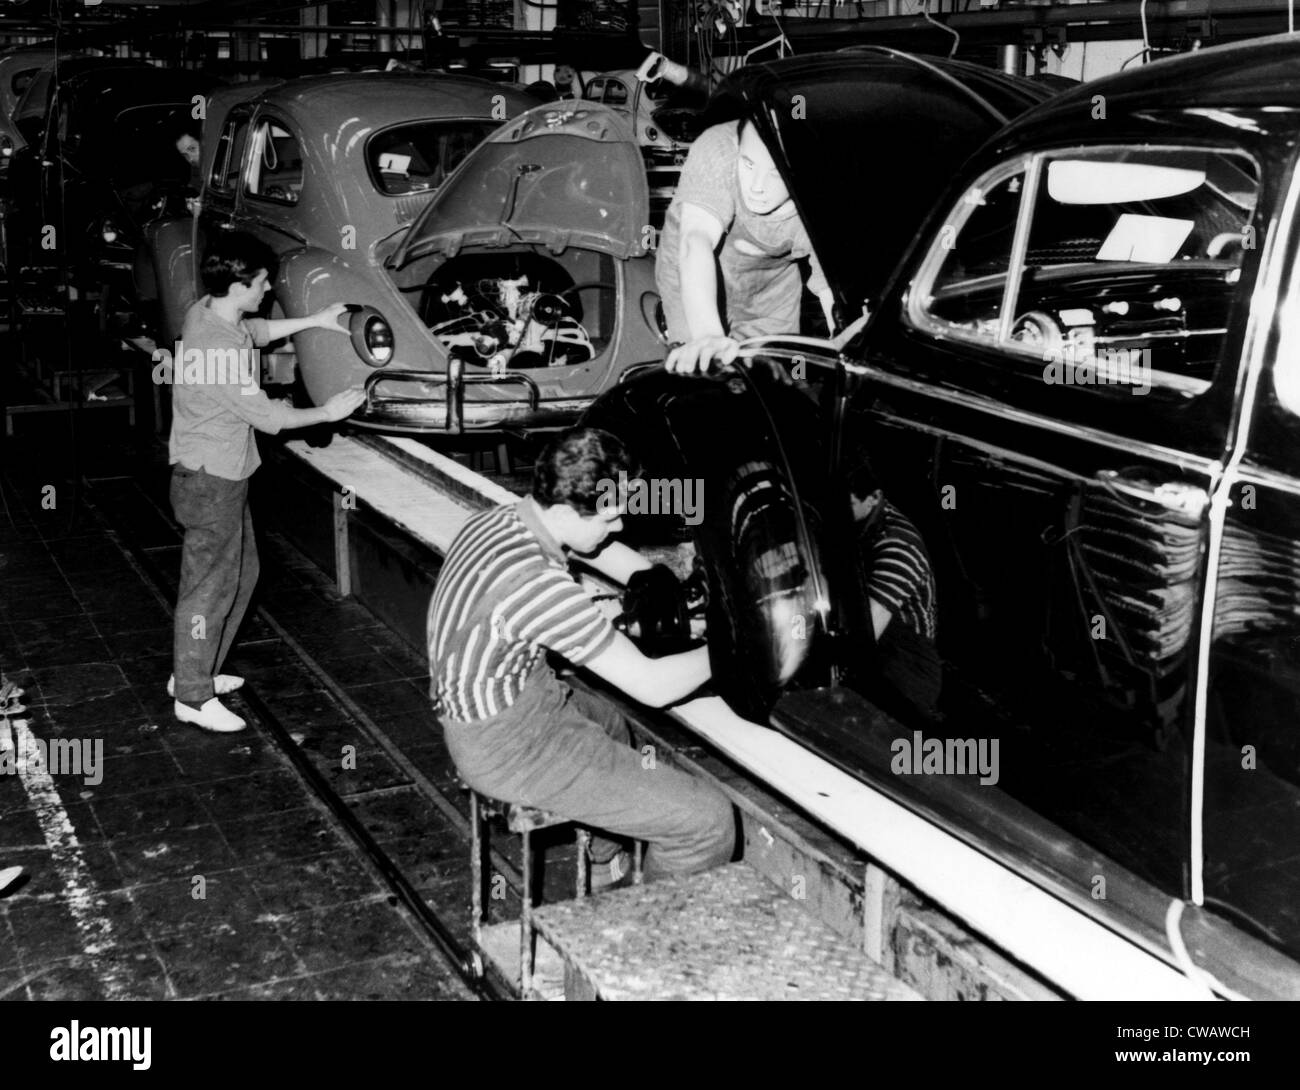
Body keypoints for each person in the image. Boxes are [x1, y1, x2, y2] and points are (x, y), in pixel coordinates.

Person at [428, 428, 736, 885]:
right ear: (562, 509)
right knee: (707, 821)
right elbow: (653, 687)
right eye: (608, 518)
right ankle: (641, 937)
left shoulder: (498, 520)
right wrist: (732, 647)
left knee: (610, 723)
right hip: (506, 746)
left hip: (507, 700)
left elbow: (605, 548)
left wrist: (657, 580)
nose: (619, 527)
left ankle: (602, 867)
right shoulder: (538, 584)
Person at [170, 232, 365, 732]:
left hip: (220, 471)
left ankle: (196, 671)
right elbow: (266, 416)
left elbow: (253, 331)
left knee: (242, 576)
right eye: (261, 283)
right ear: (239, 284)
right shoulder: (216, 347)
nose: (267, 290)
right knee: (208, 588)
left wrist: (316, 320)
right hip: (210, 477)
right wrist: (328, 411)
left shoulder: (209, 311)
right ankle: (191, 695)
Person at [657, 116, 836, 375]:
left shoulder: (826, 195)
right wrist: (707, 336)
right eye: (748, 164)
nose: (757, 187)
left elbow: (834, 293)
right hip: (692, 267)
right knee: (702, 373)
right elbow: (695, 239)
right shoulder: (717, 147)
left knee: (769, 381)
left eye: (777, 173)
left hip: (770, 286)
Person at [846, 459, 943, 716]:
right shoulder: (864, 524)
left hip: (908, 674)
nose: (840, 511)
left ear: (874, 497)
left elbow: (866, 633)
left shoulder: (897, 547)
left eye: (849, 504)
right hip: (887, 656)